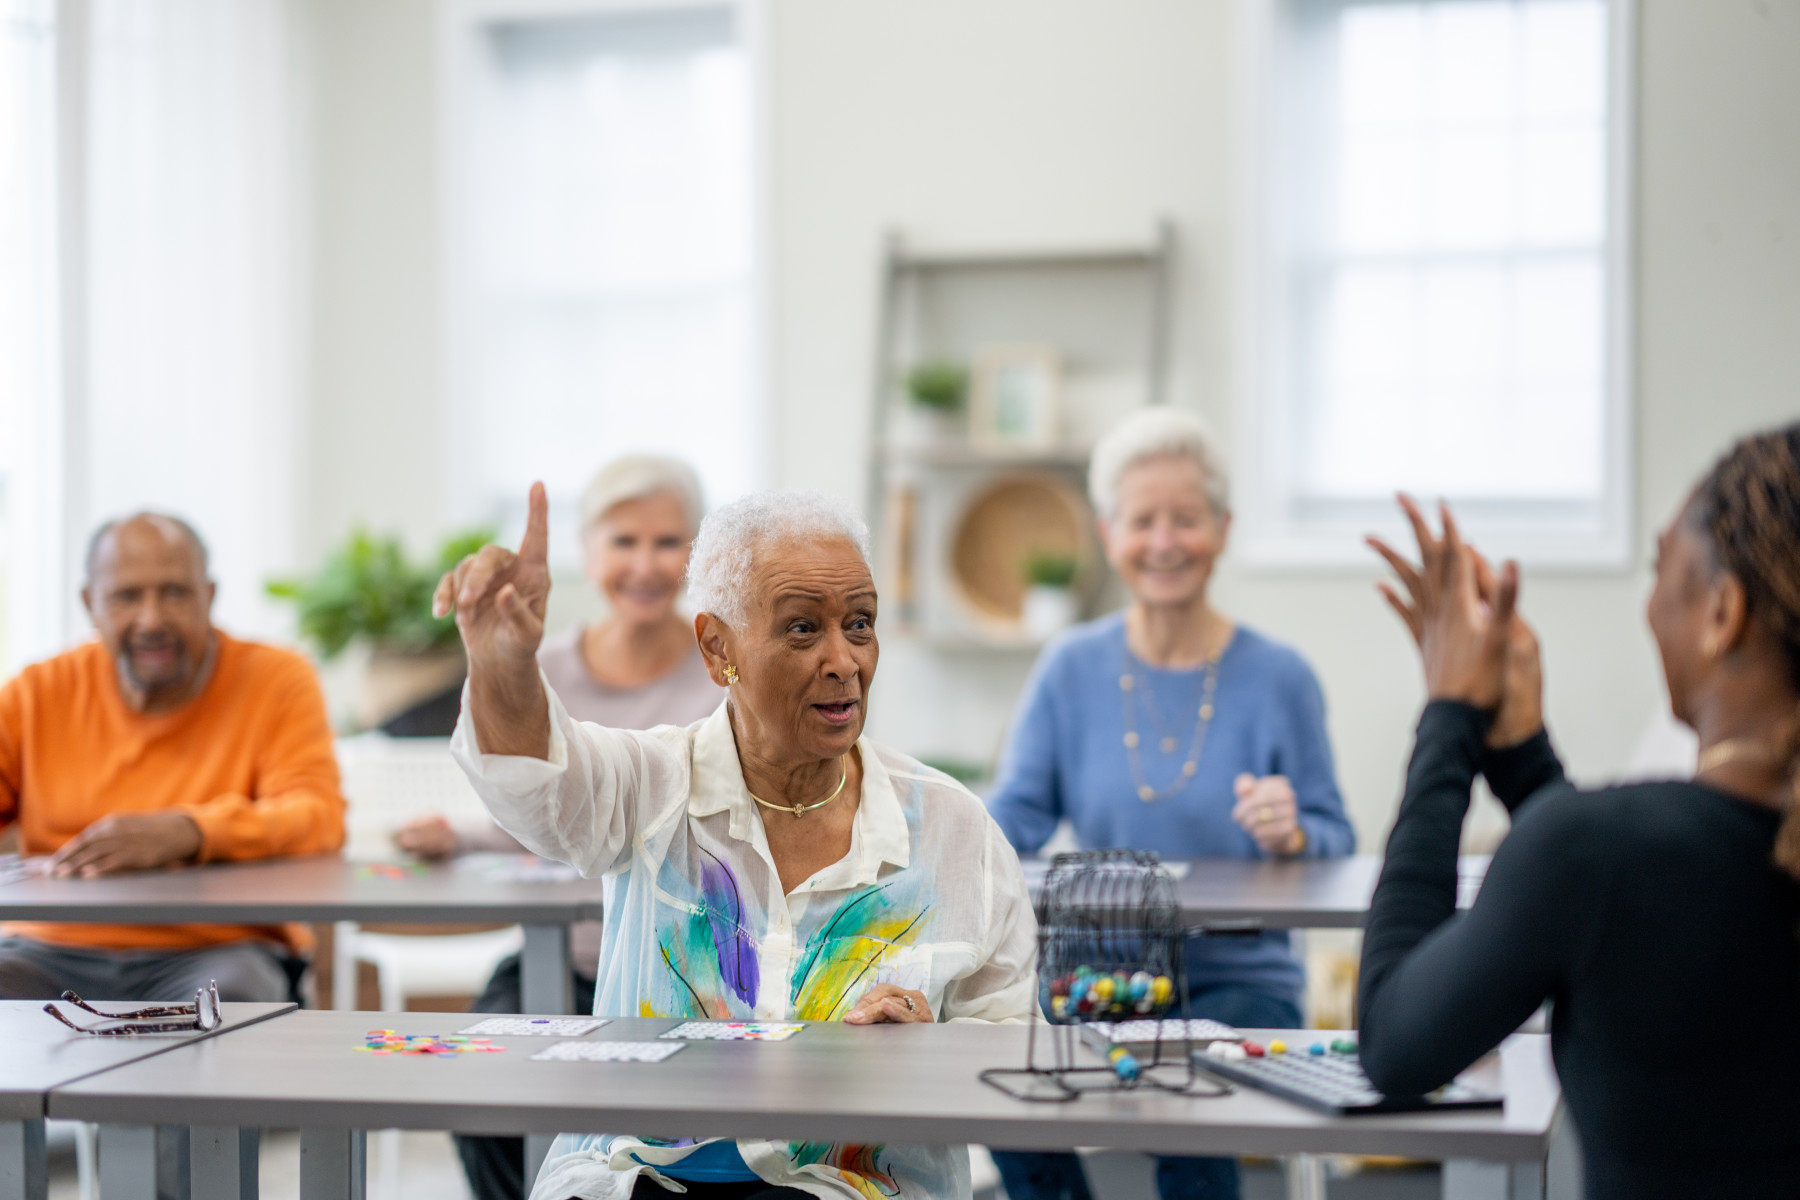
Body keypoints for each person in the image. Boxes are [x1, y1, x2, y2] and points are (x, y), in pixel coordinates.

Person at [438, 483, 1036, 1200]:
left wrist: (927, 1048)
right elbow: (537, 786)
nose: (843, 660)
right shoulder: (654, 785)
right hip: (641, 1175)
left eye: (860, 623)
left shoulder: (951, 827)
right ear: (718, 648)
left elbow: (1011, 1050)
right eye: (802, 629)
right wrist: (504, 665)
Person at [1360, 424, 1800, 1200]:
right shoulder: (1608, 854)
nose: (1652, 601)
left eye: (1660, 568)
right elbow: (1628, 906)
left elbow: (1397, 1044)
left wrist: (1450, 717)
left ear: (1722, 611)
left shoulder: (1600, 853)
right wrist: (1525, 756)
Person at [984, 408, 1355, 1200]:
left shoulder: (1281, 676)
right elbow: (1014, 815)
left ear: (1222, 529)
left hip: (1238, 977)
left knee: (1189, 1104)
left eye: (1186, 519)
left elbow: (1336, 838)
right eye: (1142, 520)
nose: (1164, 542)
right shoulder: (1068, 668)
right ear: (1108, 532)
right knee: (989, 1061)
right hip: (1096, 970)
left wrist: (1293, 834)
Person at [393, 455, 724, 1200]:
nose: (645, 563)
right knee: (480, 1092)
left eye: (668, 542)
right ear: (588, 548)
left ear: (697, 553)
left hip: (688, 974)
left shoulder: (723, 668)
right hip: (566, 963)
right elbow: (540, 801)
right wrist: (462, 833)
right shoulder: (537, 662)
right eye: (624, 541)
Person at [0, 513, 346, 1002]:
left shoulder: (277, 680)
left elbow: (317, 816)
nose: (152, 619)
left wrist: (189, 832)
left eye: (175, 593)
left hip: (220, 947)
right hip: (49, 947)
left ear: (209, 596)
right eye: (127, 596)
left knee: (236, 1008)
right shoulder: (37, 692)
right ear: (90, 603)